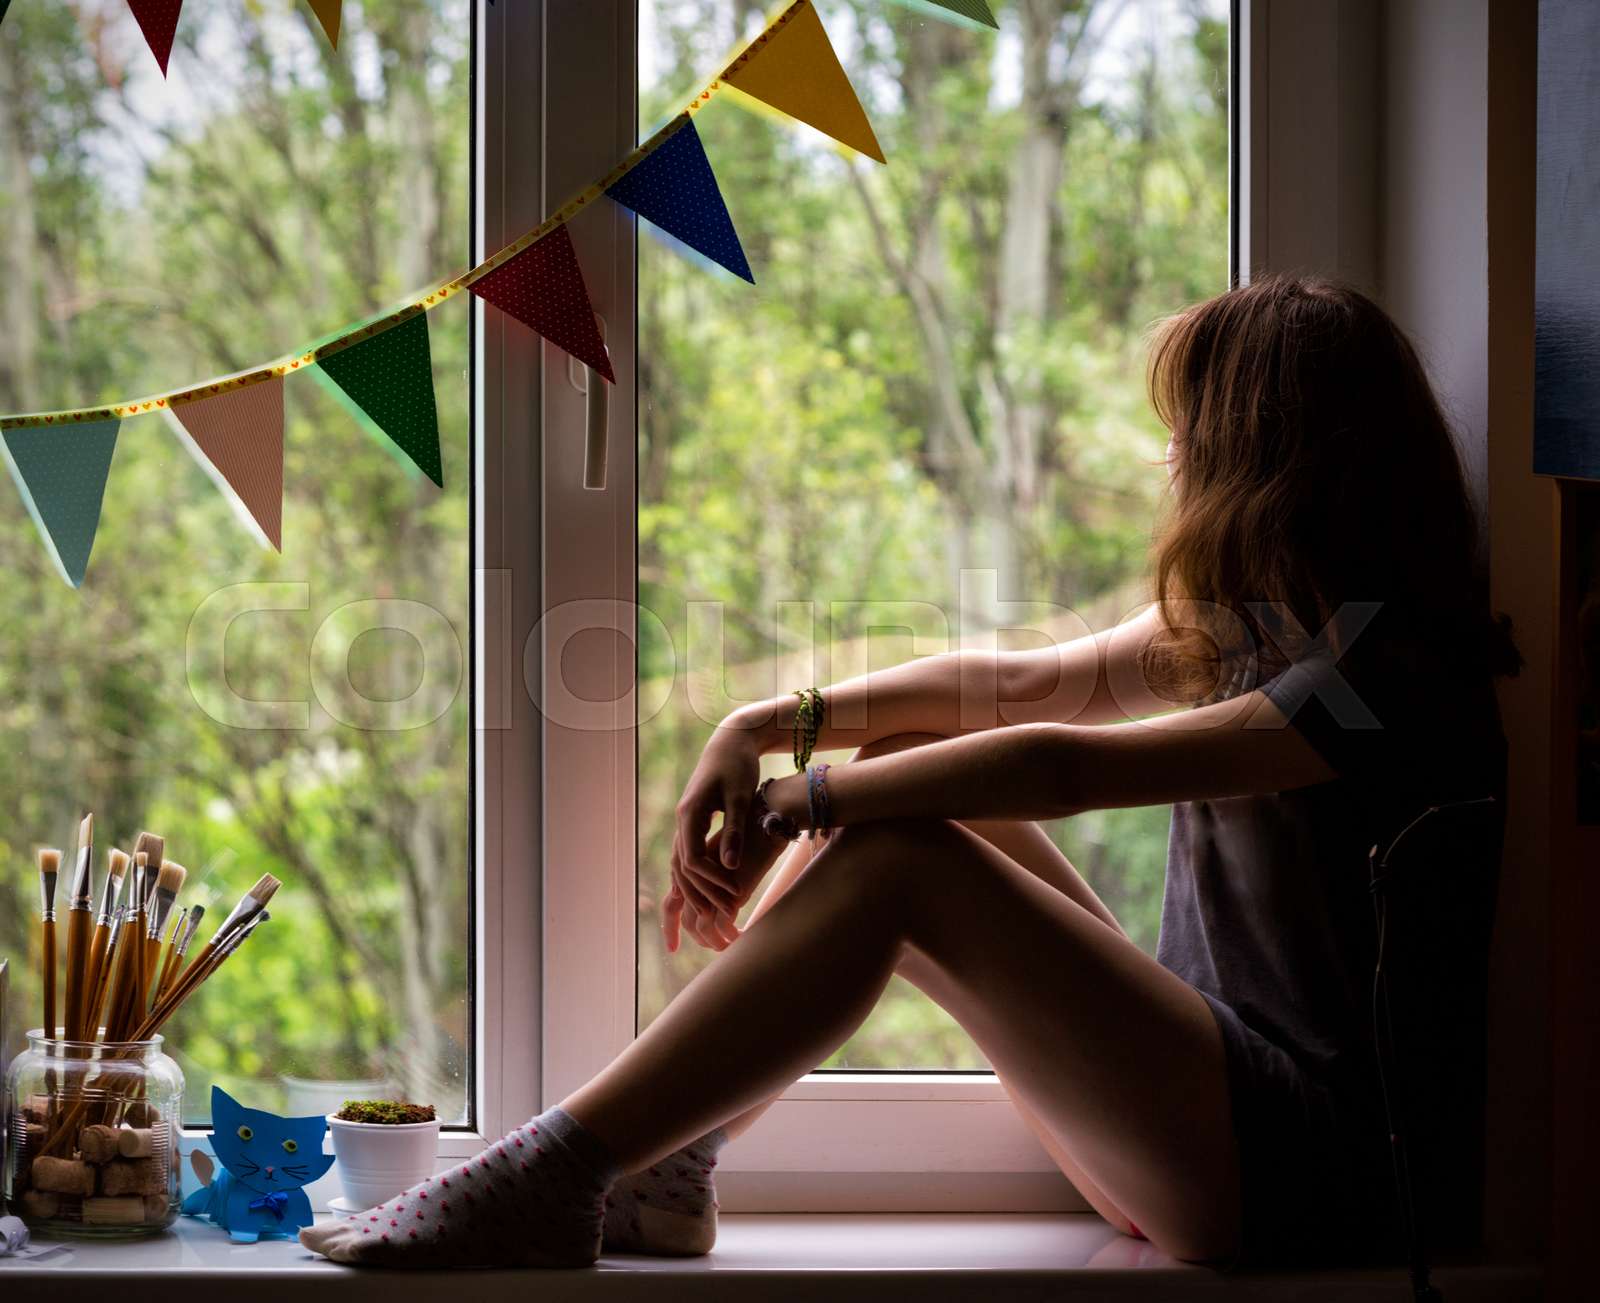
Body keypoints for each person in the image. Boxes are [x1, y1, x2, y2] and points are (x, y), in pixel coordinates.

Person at [301, 275, 1518, 1272]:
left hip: (1314, 1187)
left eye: (1189, 432)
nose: (1171, 459)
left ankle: (563, 1168)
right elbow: (1005, 684)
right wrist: (771, 723)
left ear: (1265, 452)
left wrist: (808, 799)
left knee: (900, 849)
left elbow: (1066, 765)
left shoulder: (1384, 671)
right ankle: (667, 1173)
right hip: (1201, 1131)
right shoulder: (1263, 630)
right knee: (904, 762)